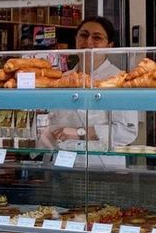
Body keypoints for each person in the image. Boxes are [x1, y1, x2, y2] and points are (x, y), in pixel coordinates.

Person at [38, 16, 138, 157]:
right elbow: (52, 120)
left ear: (109, 45)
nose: (88, 42)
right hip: (62, 161)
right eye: (83, 35)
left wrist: (82, 133)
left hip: (101, 163)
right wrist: (46, 133)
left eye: (97, 38)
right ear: (76, 39)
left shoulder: (119, 80)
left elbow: (127, 131)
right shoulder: (63, 79)